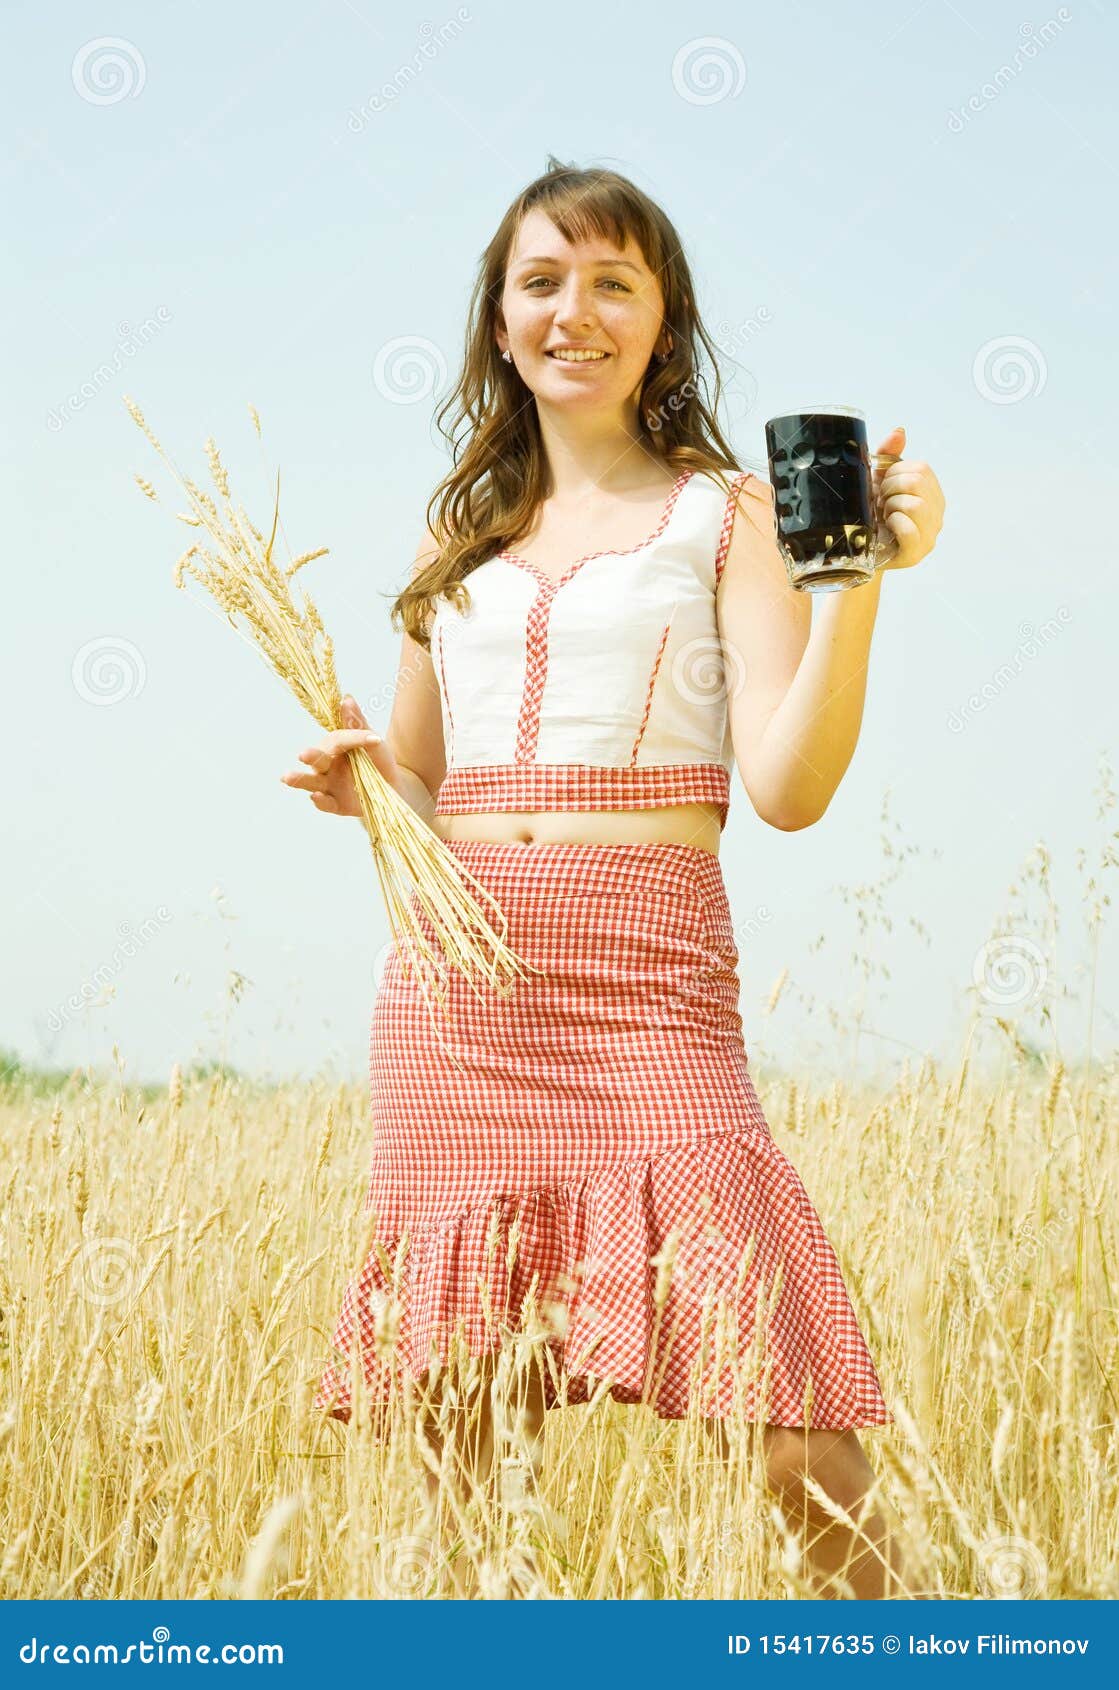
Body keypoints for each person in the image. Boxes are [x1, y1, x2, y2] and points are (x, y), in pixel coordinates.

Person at [281, 157, 945, 1599]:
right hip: (462, 994)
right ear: (499, 322)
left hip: (646, 981)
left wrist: (860, 595)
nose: (573, 309)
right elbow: (419, 775)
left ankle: (909, 1647)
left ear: (662, 319)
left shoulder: (730, 514)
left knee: (789, 1426)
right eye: (542, 282)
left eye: (612, 281)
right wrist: (363, 793)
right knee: (466, 1425)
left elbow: (786, 787)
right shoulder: (449, 538)